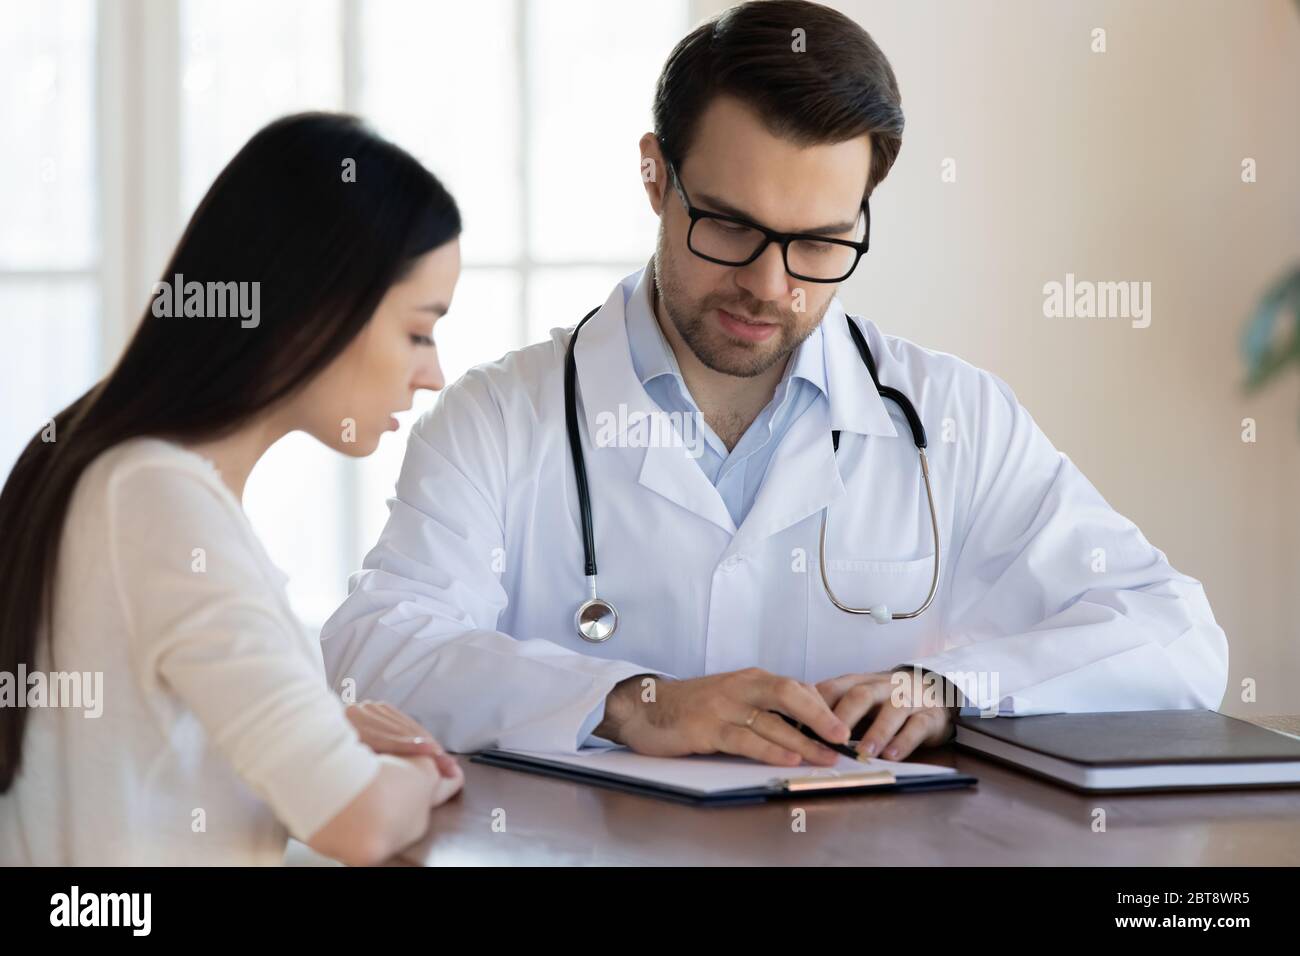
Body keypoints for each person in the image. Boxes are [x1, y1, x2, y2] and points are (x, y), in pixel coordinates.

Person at [321, 1, 1228, 768]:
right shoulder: (503, 417)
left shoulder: (950, 418)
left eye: (821, 243)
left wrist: (954, 685)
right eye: (729, 226)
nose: (771, 284)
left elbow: (1176, 635)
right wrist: (633, 702)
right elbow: (373, 649)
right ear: (655, 176)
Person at [0, 113, 464, 865]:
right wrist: (413, 774)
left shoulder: (117, 465)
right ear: (318, 308)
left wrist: (325, 728)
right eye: (418, 330)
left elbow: (158, 735)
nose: (432, 372)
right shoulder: (155, 497)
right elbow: (360, 821)